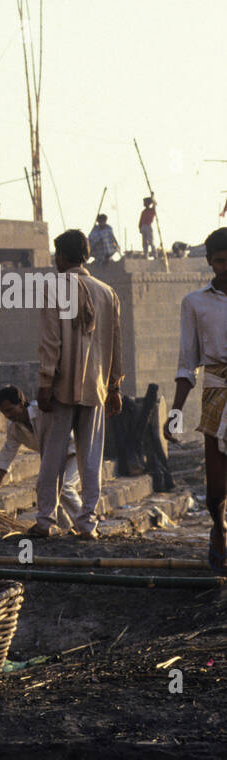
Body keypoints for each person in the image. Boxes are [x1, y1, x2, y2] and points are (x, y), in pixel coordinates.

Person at [30, 229, 123, 539]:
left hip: (60, 387)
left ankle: (45, 521)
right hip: (96, 387)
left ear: (62, 257)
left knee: (52, 457)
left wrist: (45, 382)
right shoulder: (108, 292)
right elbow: (116, 345)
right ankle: (87, 523)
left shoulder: (54, 287)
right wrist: (115, 387)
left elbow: (50, 341)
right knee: (91, 459)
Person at [165, 227, 227, 569]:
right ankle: (219, 529)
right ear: (209, 262)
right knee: (216, 488)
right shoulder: (195, 303)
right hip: (216, 392)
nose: (225, 268)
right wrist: (175, 414)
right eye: (220, 261)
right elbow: (187, 364)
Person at [0, 386, 81, 531]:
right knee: (46, 489)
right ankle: (64, 528)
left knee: (64, 488)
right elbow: (3, 462)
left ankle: (86, 526)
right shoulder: (14, 429)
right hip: (53, 458)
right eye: (4, 413)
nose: (8, 416)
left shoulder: (42, 410)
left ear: (21, 403)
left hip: (74, 452)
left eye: (10, 410)